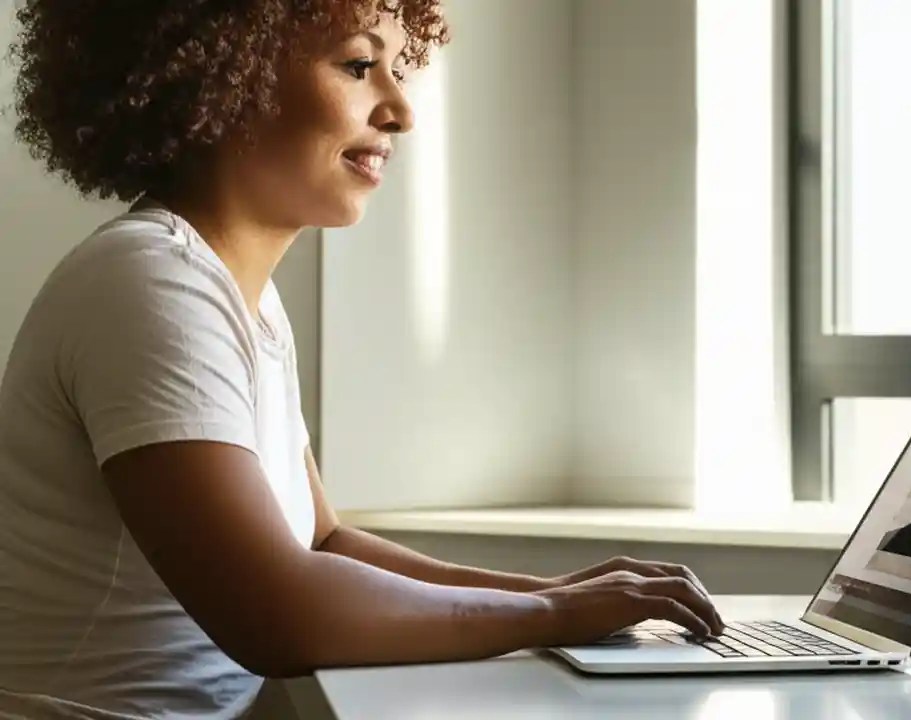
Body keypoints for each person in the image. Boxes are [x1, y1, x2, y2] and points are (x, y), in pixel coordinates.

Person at [0, 2, 723, 717]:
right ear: (225, 76)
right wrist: (553, 615)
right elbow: (276, 614)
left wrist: (548, 595)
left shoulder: (240, 298)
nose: (400, 111)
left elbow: (322, 539)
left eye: (396, 70)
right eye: (357, 66)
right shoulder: (151, 281)